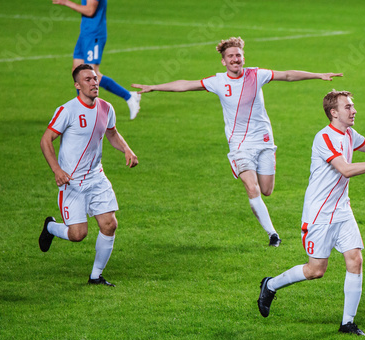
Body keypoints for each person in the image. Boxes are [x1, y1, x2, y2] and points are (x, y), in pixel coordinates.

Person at [132, 37, 340, 246]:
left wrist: (318, 75)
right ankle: (273, 235)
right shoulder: (218, 81)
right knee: (252, 187)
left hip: (264, 141)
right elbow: (186, 85)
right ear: (223, 61)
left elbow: (286, 75)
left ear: (243, 58)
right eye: (230, 56)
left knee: (266, 190)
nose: (235, 59)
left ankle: (267, 219)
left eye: (238, 55)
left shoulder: (256, 75)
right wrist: (154, 87)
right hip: (239, 145)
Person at [256, 91, 365, 335]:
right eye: (348, 107)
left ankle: (347, 323)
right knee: (315, 270)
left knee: (355, 259)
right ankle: (271, 284)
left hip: (342, 210)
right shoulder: (324, 137)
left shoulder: (348, 133)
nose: (354, 110)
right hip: (319, 214)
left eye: (353, 106)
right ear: (334, 112)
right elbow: (345, 169)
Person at [38, 64, 139, 286]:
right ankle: (51, 227)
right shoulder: (67, 110)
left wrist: (127, 150)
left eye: (95, 78)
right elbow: (46, 140)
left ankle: (95, 276)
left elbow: (112, 134)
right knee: (78, 234)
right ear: (77, 85)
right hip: (72, 182)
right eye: (88, 79)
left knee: (109, 224)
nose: (94, 82)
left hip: (96, 177)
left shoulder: (106, 108)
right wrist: (57, 170)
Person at [32, 0, 142, 120]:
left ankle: (129, 97)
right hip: (85, 34)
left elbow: (90, 11)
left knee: (92, 75)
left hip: (95, 35)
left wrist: (66, 3)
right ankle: (83, 109)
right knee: (77, 71)